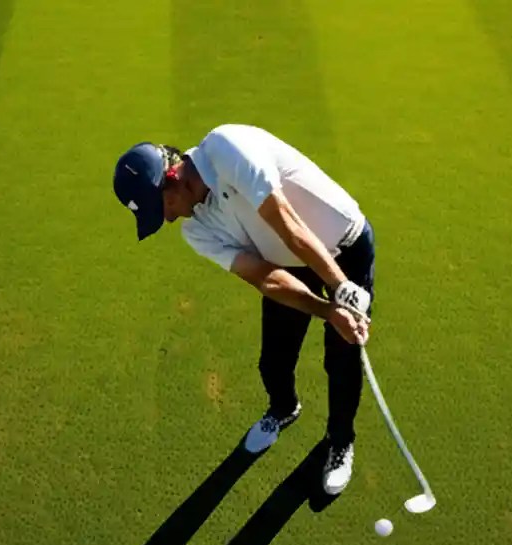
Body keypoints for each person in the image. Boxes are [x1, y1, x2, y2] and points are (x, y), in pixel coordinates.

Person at [112, 124, 375, 494]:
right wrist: (327, 309)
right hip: (286, 263)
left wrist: (341, 286)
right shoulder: (196, 231)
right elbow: (264, 277)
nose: (167, 219)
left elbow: (287, 222)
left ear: (172, 179)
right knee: (274, 361)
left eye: (162, 208)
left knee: (342, 357)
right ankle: (283, 408)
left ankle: (340, 440)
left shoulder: (226, 148)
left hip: (344, 248)